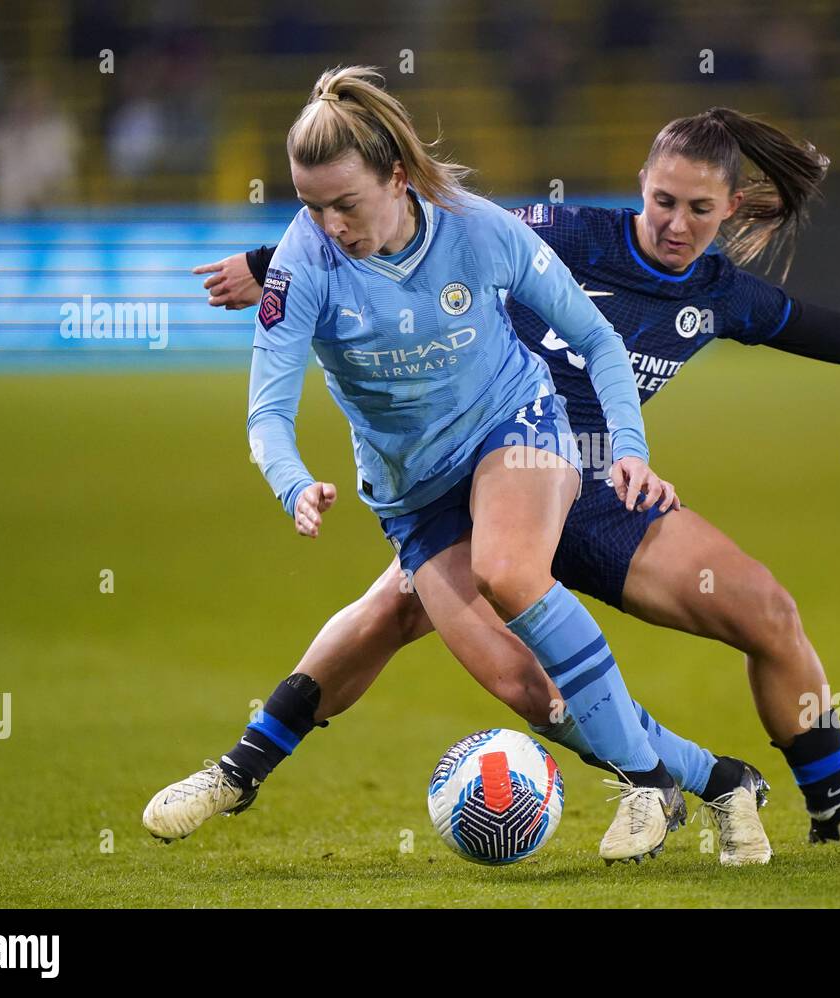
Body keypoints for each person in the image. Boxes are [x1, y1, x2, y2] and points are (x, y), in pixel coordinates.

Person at [186, 105, 840, 856]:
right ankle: (242, 765)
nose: (674, 223)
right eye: (662, 200)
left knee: (769, 612)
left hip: (605, 496)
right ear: (642, 186)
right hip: (490, 467)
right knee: (420, 623)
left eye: (699, 209)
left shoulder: (723, 295)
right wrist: (277, 261)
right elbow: (422, 217)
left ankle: (836, 809)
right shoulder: (561, 229)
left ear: (730, 209)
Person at [143, 66, 703, 865]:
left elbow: (599, 340)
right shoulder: (301, 265)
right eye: (310, 206)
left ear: (396, 178)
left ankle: (648, 784)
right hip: (413, 489)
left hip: (514, 424)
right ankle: (717, 778)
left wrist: (630, 450)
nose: (329, 225)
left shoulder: (479, 231)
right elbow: (267, 412)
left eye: (346, 204)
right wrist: (294, 483)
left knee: (510, 572)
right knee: (527, 692)